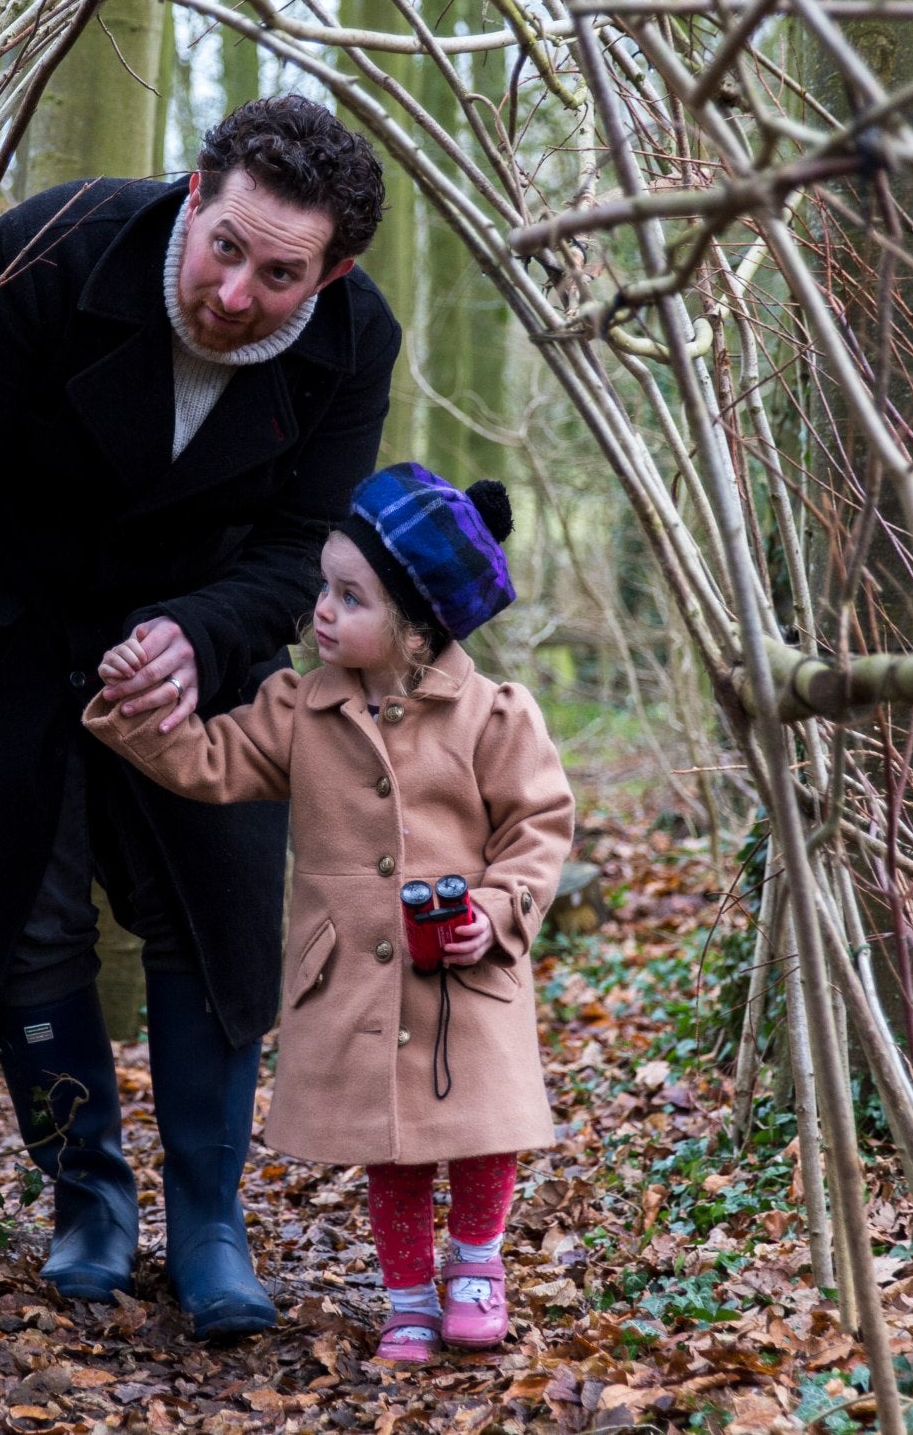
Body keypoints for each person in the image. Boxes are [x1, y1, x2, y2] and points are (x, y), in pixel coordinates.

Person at [0, 96, 398, 1338]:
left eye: (282, 272)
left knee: (216, 902)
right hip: (8, 618)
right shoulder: (55, 247)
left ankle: (210, 1220)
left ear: (334, 271)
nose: (238, 291)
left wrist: (199, 633)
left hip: (206, 636)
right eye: (226, 246)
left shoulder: (355, 340)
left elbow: (308, 538)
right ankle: (85, 1194)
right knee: (21, 898)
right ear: (193, 196)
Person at [84, 465, 572, 1363]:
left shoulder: (494, 716)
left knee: (480, 1127)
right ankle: (406, 1299)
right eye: (324, 587)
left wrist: (499, 913)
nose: (321, 611)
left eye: (350, 597)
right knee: (388, 1143)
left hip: (468, 969)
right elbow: (209, 761)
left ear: (418, 626)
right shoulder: (299, 709)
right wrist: (134, 704)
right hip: (351, 972)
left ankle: (476, 1267)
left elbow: (540, 826)